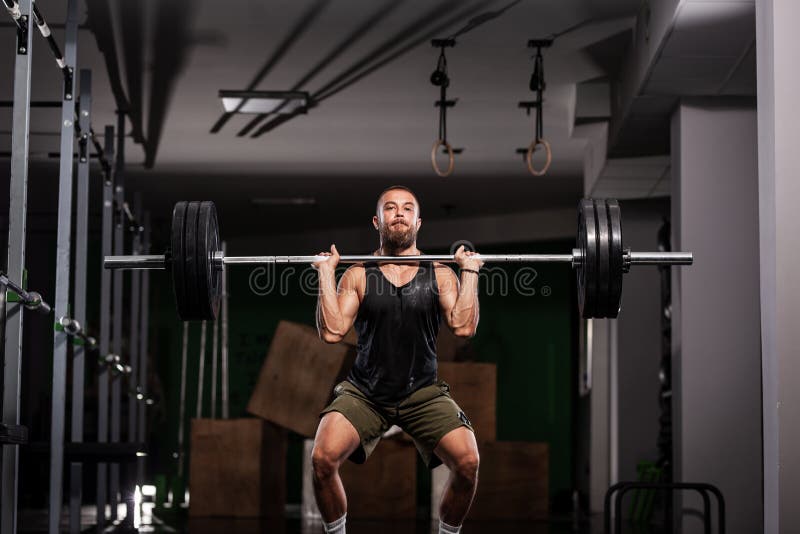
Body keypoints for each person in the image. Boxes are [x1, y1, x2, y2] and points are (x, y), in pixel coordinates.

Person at [312, 185, 483, 534]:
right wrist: (326, 274)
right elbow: (332, 331)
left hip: (423, 393)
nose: (399, 213)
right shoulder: (359, 274)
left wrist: (470, 271)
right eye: (390, 208)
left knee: (468, 463)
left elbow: (464, 327)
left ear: (418, 222)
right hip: (366, 393)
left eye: (407, 208)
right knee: (322, 459)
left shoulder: (440, 273)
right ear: (377, 221)